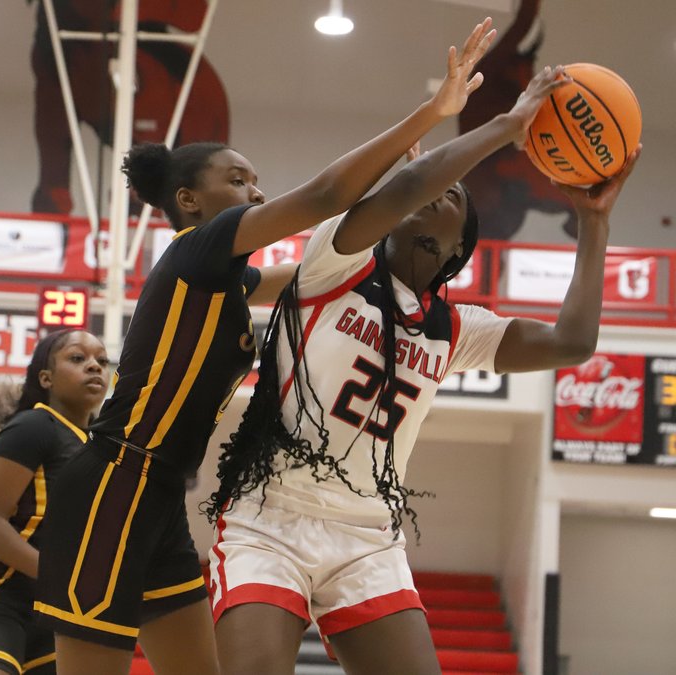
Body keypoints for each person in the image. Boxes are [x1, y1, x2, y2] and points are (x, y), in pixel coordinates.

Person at [32, 18, 498, 675]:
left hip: (163, 492)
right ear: (190, 201)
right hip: (113, 479)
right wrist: (434, 114)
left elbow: (343, 273)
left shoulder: (236, 280)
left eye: (256, 181)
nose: (256, 192)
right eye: (239, 179)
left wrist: (416, 196)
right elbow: (330, 196)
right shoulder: (194, 251)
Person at [203, 63, 642, 674]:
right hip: (269, 518)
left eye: (457, 194)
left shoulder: (457, 328)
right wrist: (506, 127)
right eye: (428, 185)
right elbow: (406, 188)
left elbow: (572, 342)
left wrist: (593, 223)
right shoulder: (335, 261)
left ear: (458, 248)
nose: (439, 190)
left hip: (367, 536)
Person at [0, 329, 110, 675]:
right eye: (78, 358)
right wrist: (59, 578)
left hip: (55, 613)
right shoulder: (34, 426)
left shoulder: (103, 446)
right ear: (46, 378)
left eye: (101, 361)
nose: (94, 367)